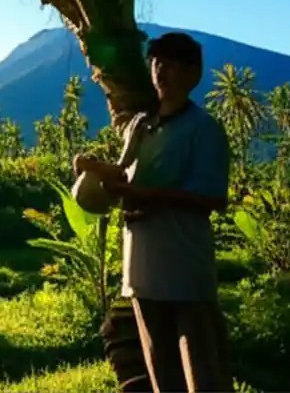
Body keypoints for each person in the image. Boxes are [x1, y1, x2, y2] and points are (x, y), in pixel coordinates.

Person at [73, 32, 233, 393]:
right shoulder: (139, 125)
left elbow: (212, 197)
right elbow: (122, 178)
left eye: (174, 65)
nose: (163, 71)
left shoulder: (203, 129)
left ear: (194, 74)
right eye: (158, 63)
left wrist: (143, 194)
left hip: (185, 262)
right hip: (142, 264)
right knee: (159, 362)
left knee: (201, 370)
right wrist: (92, 169)